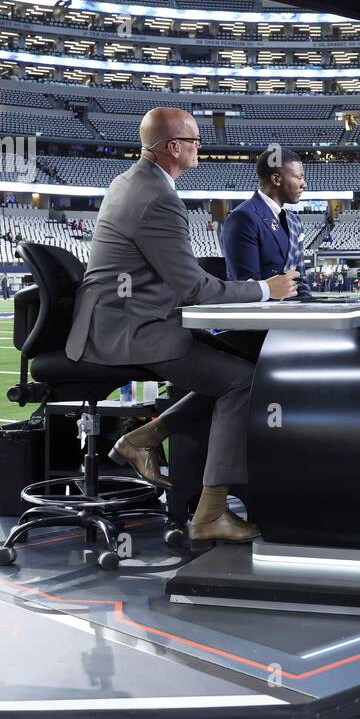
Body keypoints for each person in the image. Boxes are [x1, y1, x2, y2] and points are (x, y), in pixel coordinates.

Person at [65, 108, 299, 542]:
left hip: (119, 320)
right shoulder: (159, 198)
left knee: (231, 371)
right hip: (130, 330)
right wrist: (267, 289)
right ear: (173, 148)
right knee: (243, 382)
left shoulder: (129, 182)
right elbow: (194, 288)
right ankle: (210, 513)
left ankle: (146, 437)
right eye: (193, 141)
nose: (199, 149)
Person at [221, 148, 310, 297]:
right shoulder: (243, 217)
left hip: (294, 314)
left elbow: (300, 278)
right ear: (276, 179)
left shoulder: (295, 221)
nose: (304, 184)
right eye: (299, 177)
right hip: (259, 316)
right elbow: (246, 285)